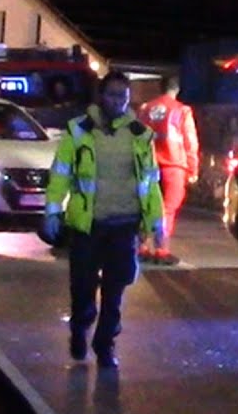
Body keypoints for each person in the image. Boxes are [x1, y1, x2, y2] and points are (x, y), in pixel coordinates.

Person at [44, 71, 165, 368]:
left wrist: (156, 222)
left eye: (123, 97)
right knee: (83, 287)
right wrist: (52, 209)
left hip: (123, 226)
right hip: (88, 226)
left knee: (115, 292)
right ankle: (80, 326)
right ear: (101, 96)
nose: (118, 102)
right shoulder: (79, 131)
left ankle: (105, 345)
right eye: (112, 95)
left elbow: (150, 183)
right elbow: (61, 173)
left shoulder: (139, 135)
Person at [136, 74, 200, 265]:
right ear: (177, 90)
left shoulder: (145, 109)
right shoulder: (182, 110)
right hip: (173, 165)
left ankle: (142, 247)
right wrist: (193, 169)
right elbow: (190, 142)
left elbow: (137, 138)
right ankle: (161, 250)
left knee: (146, 206)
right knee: (168, 209)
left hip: (148, 165)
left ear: (160, 87)